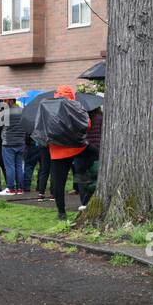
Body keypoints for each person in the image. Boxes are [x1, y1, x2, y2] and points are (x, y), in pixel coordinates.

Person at [44, 85, 96, 219]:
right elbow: (88, 124)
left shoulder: (48, 108)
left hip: (57, 151)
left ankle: (61, 212)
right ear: (71, 95)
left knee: (58, 182)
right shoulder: (76, 106)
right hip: (77, 148)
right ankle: (85, 203)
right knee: (82, 176)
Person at [0, 98, 25, 195]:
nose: (4, 102)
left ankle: (11, 189)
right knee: (19, 166)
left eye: (5, 100)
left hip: (8, 143)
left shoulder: (5, 112)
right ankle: (20, 189)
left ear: (10, 101)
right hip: (21, 142)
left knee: (10, 167)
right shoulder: (23, 111)